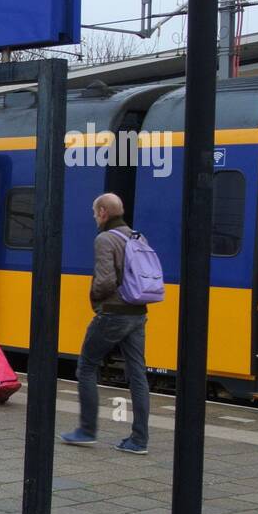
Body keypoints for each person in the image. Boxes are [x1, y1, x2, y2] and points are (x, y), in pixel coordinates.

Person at [61, 193, 150, 454]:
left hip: (113, 313)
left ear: (102, 212)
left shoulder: (105, 239)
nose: (93, 217)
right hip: (138, 313)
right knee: (137, 375)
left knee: (86, 367)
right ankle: (139, 440)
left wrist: (95, 298)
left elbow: (105, 281)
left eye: (93, 212)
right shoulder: (137, 236)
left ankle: (87, 430)